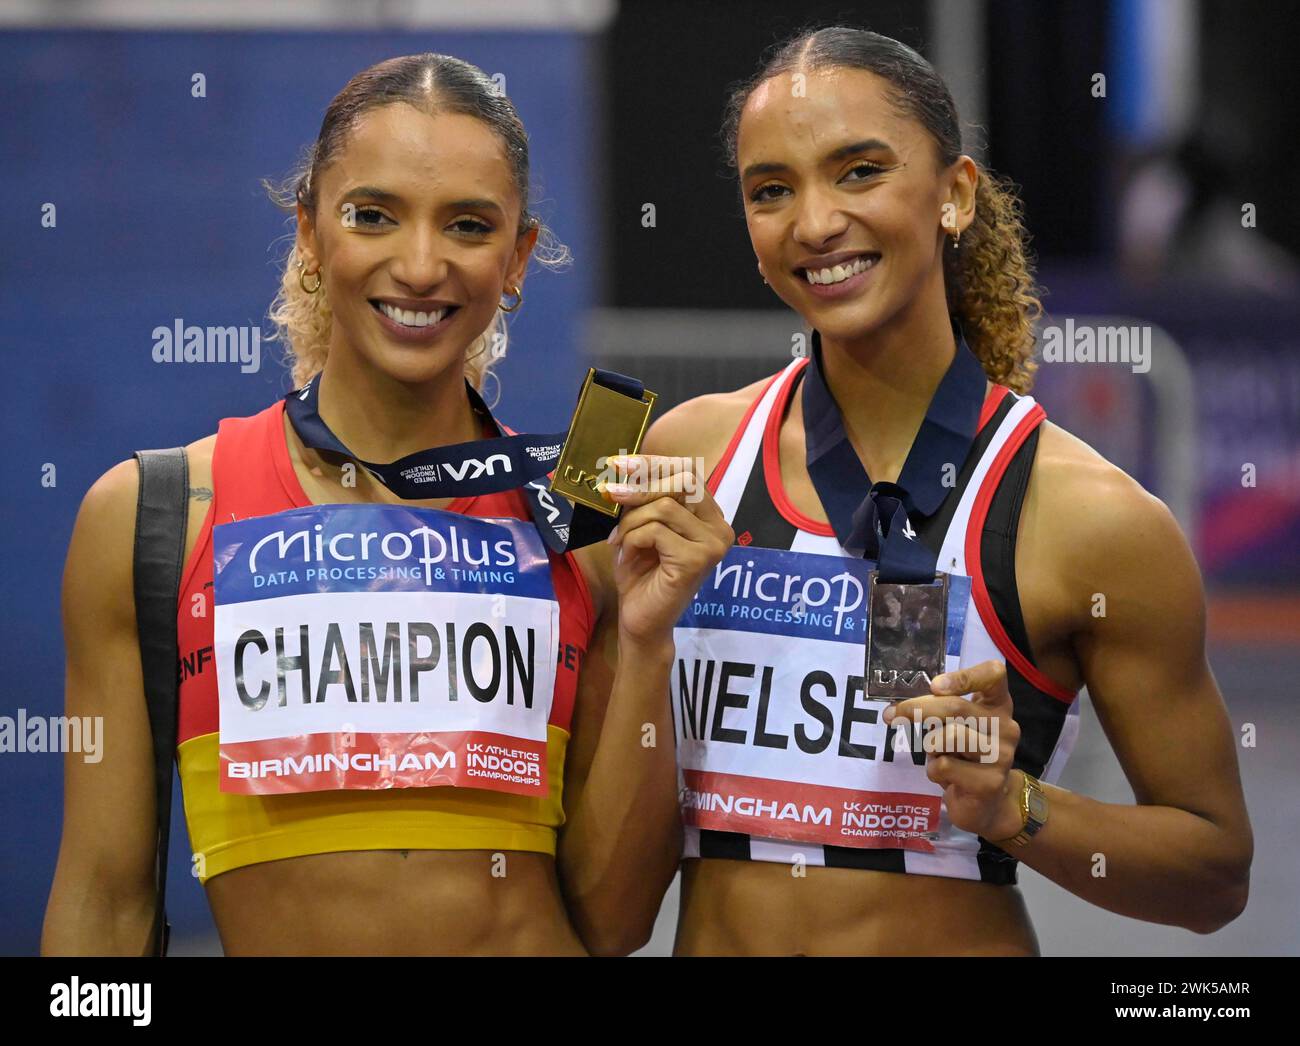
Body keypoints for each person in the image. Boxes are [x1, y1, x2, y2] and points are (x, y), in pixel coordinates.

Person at [42, 53, 730, 957]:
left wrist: (647, 642)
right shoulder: (151, 517)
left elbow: (612, 923)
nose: (419, 265)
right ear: (309, 233)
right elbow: (101, 905)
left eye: (470, 225)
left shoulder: (580, 520)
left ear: (519, 256)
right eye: (373, 215)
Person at [648, 27, 1253, 956]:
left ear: (955, 195)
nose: (813, 223)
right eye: (771, 190)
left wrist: (1014, 806)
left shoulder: (1093, 521)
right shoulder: (691, 459)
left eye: (858, 172)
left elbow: (1213, 873)